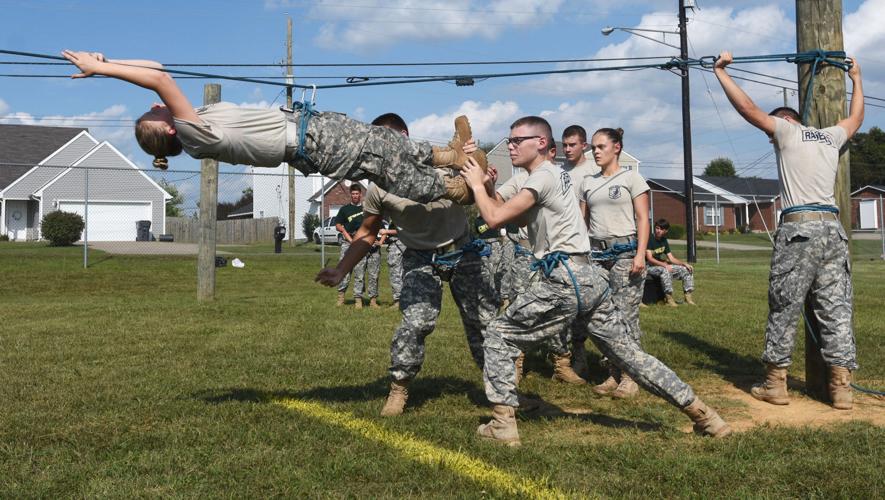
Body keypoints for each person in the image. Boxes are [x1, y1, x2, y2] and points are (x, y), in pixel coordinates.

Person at [461, 116, 730, 446]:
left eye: (518, 140)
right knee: (631, 356)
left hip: (563, 279)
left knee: (499, 337)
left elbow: (493, 217)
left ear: (543, 143)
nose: (511, 145)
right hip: (590, 278)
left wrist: (476, 185)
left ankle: (502, 426)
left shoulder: (543, 176)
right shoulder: (551, 176)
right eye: (510, 140)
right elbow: (507, 207)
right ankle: (705, 415)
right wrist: (486, 185)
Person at [61, 50, 481, 204]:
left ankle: (450, 155)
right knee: (384, 161)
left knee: (381, 143)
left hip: (307, 128)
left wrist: (103, 62)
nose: (159, 104)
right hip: (307, 143)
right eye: (158, 112)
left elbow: (156, 67)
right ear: (169, 131)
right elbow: (161, 81)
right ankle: (454, 188)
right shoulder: (192, 136)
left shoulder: (193, 121)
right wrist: (102, 70)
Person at [315, 114, 498, 416]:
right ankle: (399, 388)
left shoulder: (441, 163)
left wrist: (474, 159)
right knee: (416, 324)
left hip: (462, 251)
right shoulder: (378, 187)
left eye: (386, 139)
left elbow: (479, 188)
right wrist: (342, 269)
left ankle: (501, 393)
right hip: (419, 257)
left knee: (486, 324)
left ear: (404, 136)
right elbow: (367, 232)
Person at [714, 51, 864, 409]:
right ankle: (841, 388)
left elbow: (749, 110)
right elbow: (856, 118)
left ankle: (775, 383)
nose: (771, 137)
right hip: (833, 232)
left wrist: (721, 73)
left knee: (784, 305)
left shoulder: (786, 130)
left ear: (783, 123)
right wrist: (857, 78)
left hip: (799, 230)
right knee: (835, 309)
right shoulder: (830, 137)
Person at [493, 139, 585, 385]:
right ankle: (516, 364)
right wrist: (489, 187)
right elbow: (497, 201)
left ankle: (561, 364)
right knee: (519, 308)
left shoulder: (559, 178)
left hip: (554, 258)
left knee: (559, 310)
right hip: (526, 256)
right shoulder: (520, 181)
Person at [578, 127, 650, 399]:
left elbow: (643, 219)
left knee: (626, 315)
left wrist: (640, 254)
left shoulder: (632, 178)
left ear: (616, 147)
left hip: (625, 253)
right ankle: (613, 372)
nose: (595, 152)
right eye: (593, 148)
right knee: (602, 316)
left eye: (600, 147)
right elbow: (582, 224)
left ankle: (631, 376)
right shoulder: (588, 182)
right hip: (597, 256)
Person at [335, 184, 377, 308]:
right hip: (347, 243)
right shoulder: (344, 209)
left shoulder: (366, 209)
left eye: (357, 194)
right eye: (353, 194)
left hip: (361, 244)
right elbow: (338, 225)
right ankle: (341, 297)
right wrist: (347, 235)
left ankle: (358, 299)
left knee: (360, 272)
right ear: (350, 195)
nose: (355, 196)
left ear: (360, 195)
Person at [646, 219, 696, 306]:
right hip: (649, 267)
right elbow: (649, 258)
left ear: (666, 231)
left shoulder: (664, 241)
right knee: (665, 270)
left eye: (661, 229)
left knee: (686, 270)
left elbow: (671, 258)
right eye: (657, 228)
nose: (658, 231)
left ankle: (688, 298)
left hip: (660, 266)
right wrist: (664, 265)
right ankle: (669, 299)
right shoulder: (650, 239)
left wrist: (684, 263)